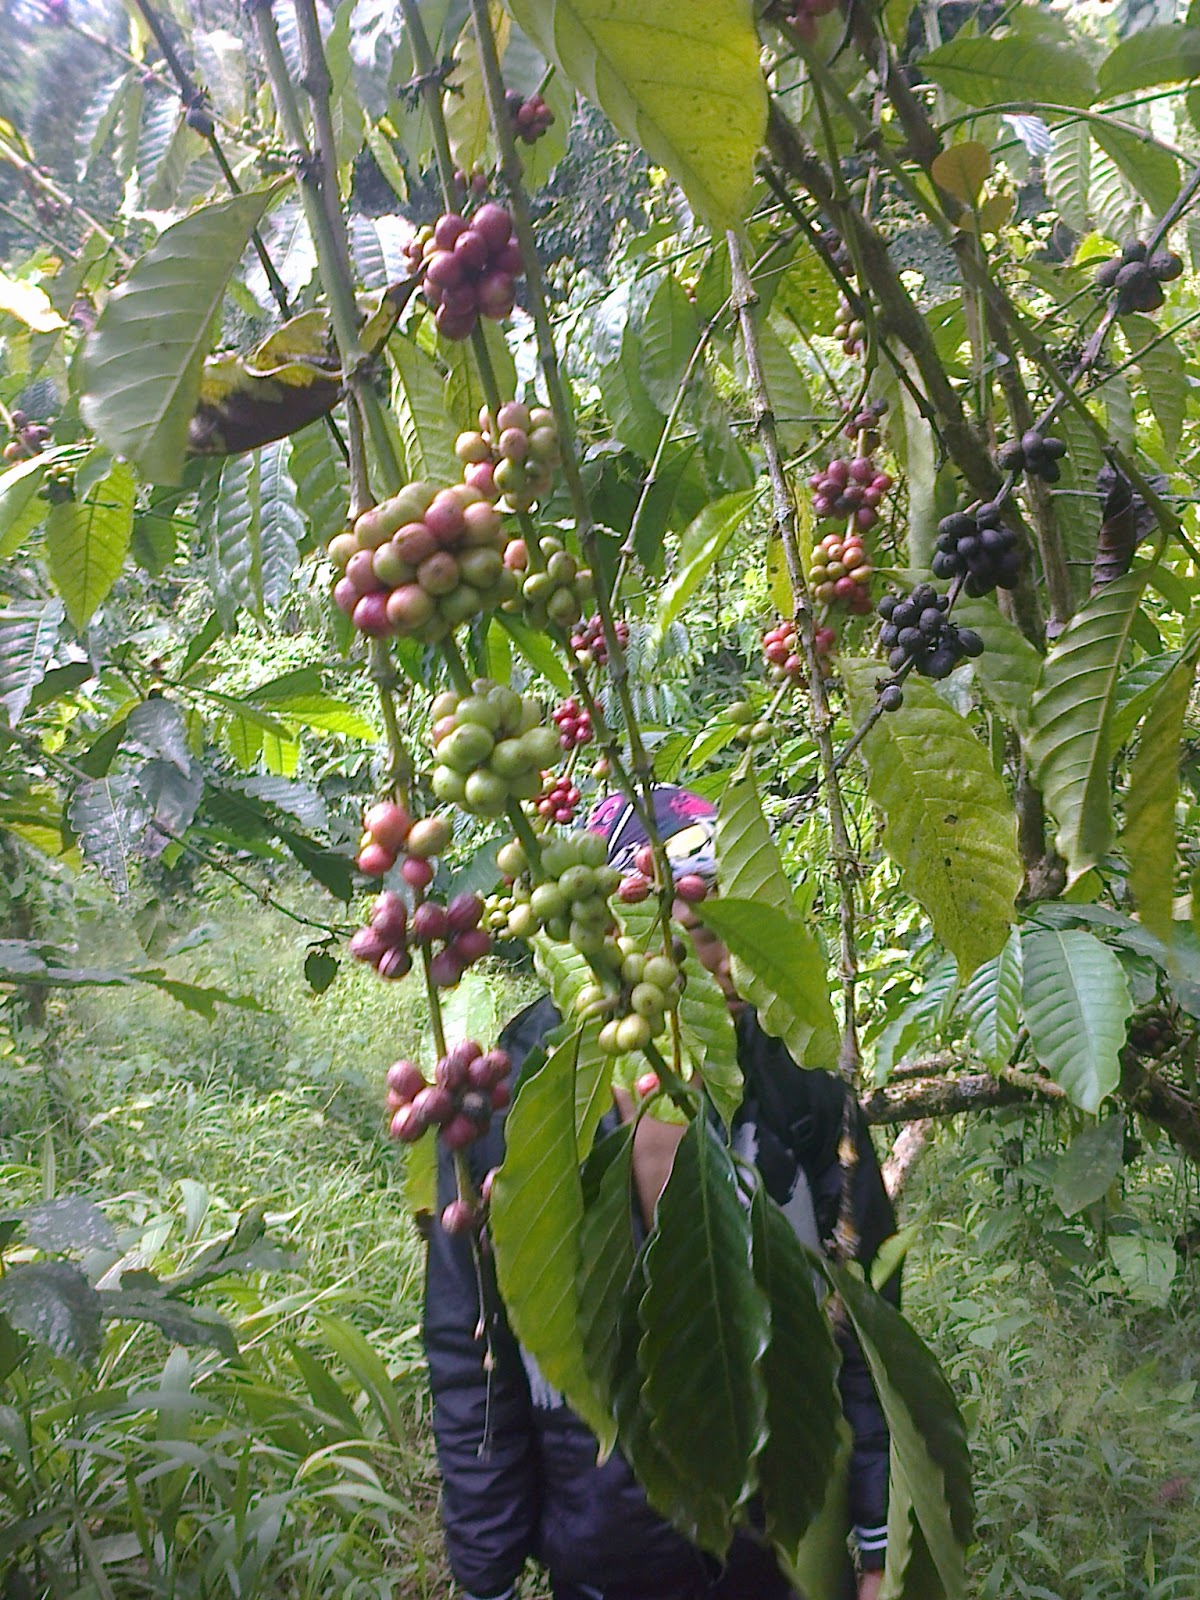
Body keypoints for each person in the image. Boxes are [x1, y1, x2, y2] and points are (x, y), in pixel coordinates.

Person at [422, 787, 895, 1600]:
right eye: (707, 934)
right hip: (604, 1557)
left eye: (739, 932)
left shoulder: (796, 1085)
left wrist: (881, 1541)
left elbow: (869, 1323)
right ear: (620, 933)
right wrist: (486, 1576)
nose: (734, 968)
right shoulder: (511, 1104)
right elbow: (473, 1357)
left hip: (781, 1550)